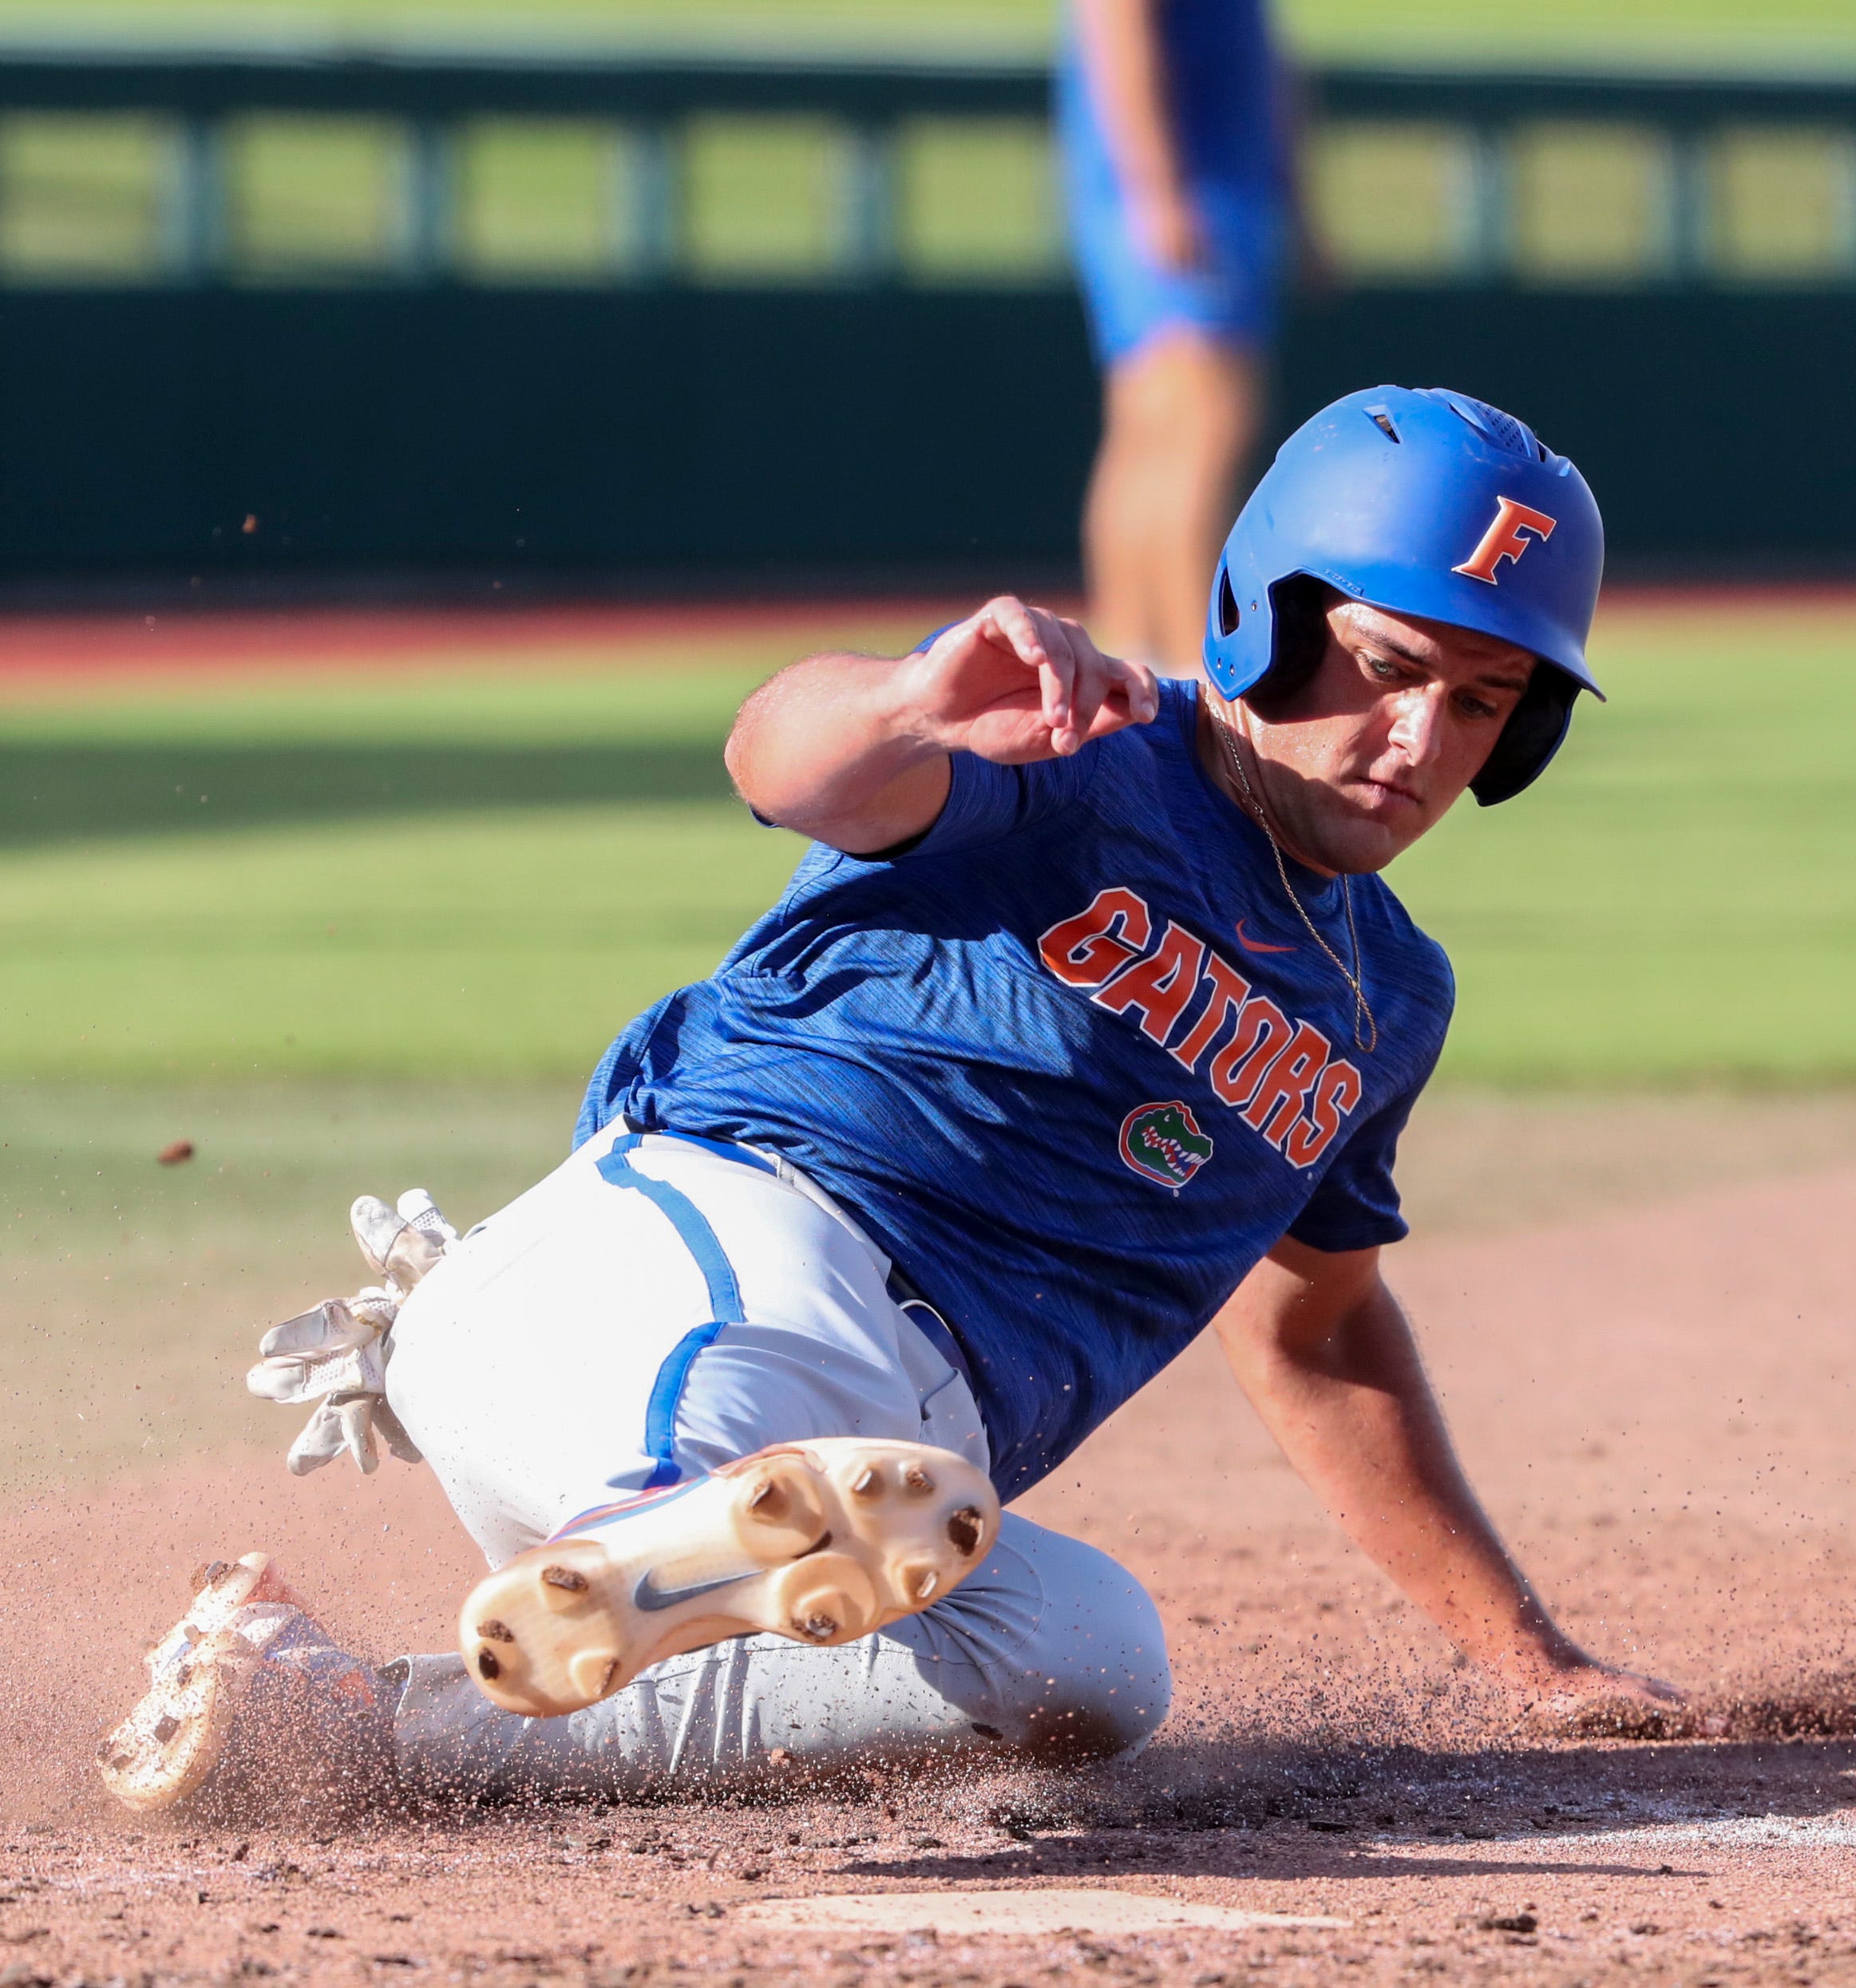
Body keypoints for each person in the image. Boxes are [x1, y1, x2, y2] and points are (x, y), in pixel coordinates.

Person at [99, 386, 1692, 1819]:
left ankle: (352, 1718)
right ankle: (676, 1522)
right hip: (688, 1270)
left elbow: (1318, 1333)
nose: (1418, 740)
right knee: (729, 1444)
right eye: (1389, 665)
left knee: (1085, 1670)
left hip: (882, 1476)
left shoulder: (1384, 998)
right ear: (1259, 613)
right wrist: (911, 704)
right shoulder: (1077, 741)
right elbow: (782, 762)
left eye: (1481, 702)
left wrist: (1525, 1658)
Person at [1059, 0, 1299, 677]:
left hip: (1220, 189)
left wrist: (1294, 197)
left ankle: (1135, 663)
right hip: (1187, 193)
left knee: (1157, 425)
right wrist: (1158, 190)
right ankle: (1195, 666)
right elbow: (1117, 25)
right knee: (1203, 422)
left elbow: (1269, 63)